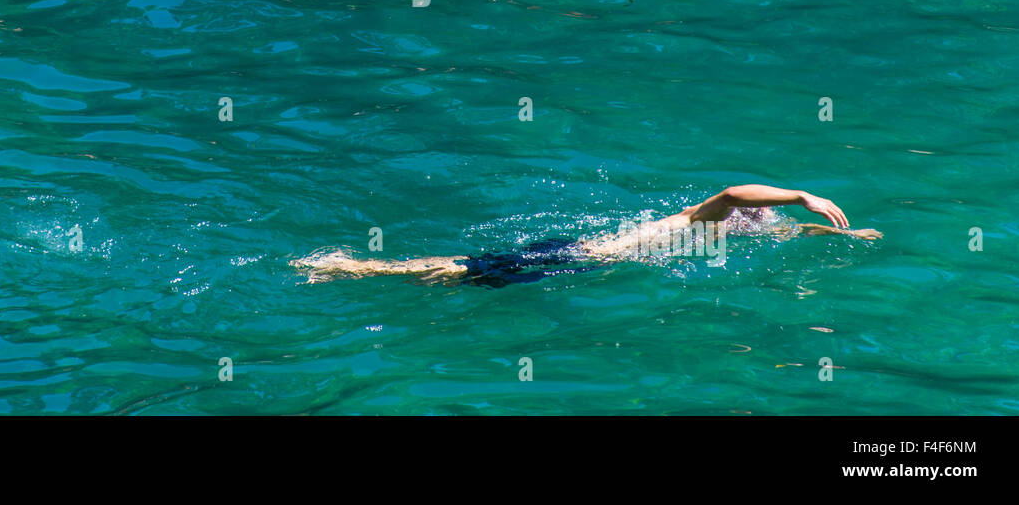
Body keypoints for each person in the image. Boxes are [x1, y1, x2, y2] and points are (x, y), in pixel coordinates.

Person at [291, 184, 882, 287]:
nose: (766, 223)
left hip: (586, 263)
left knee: (467, 278)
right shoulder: (706, 219)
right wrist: (801, 194)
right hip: (582, 257)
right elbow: (732, 194)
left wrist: (839, 236)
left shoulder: (735, 233)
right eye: (767, 213)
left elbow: (776, 234)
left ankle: (355, 268)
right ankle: (349, 266)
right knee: (462, 271)